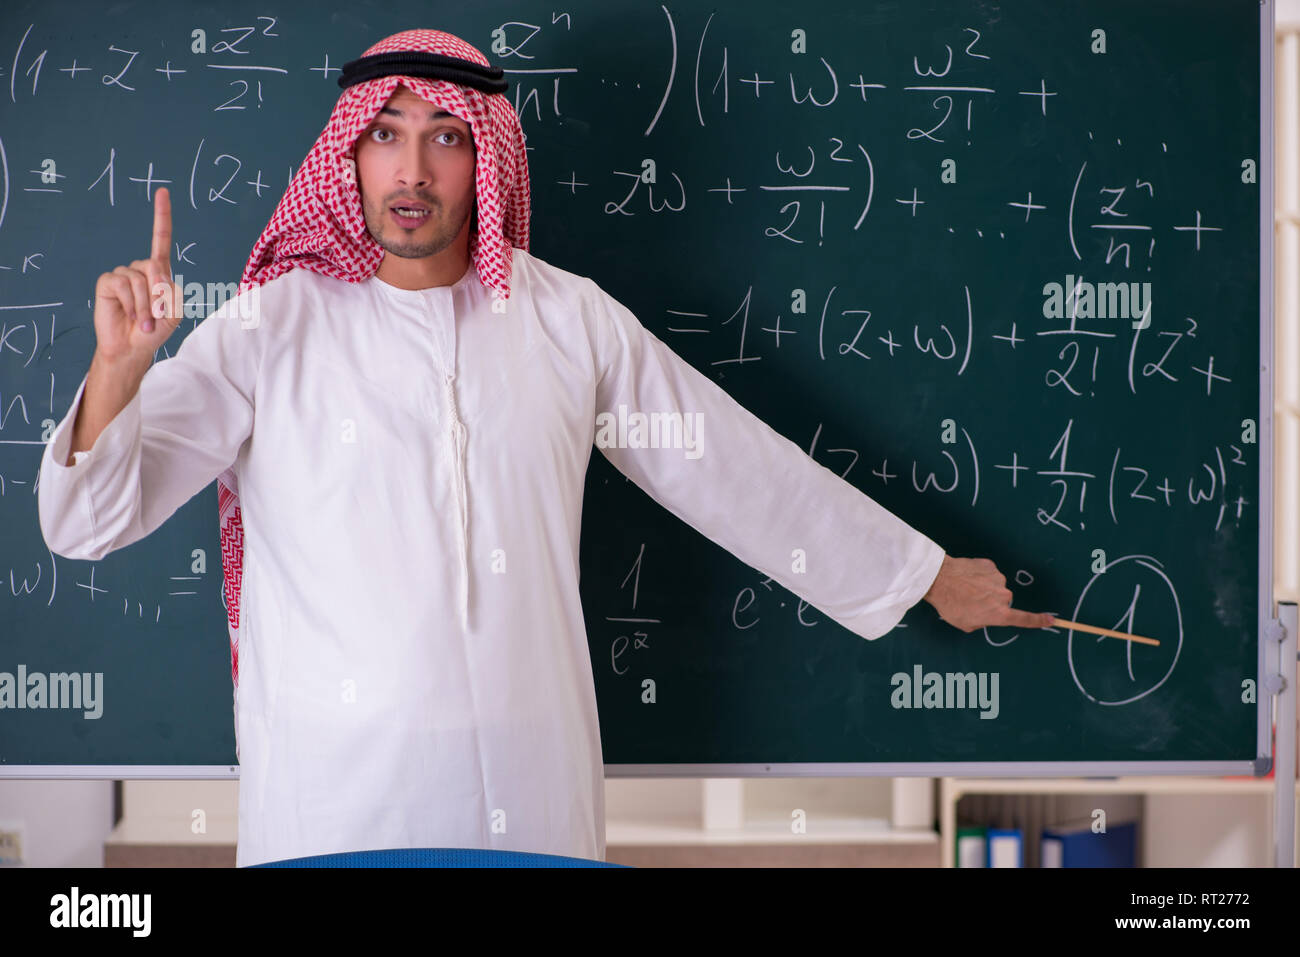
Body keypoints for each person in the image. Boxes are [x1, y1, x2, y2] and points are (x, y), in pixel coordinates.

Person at [37, 29, 1054, 867]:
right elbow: (84, 523)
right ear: (347, 153)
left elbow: (733, 469)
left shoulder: (568, 323)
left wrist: (918, 574)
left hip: (532, 813)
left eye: (445, 138)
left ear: (487, 159)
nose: (412, 168)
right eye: (387, 134)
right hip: (326, 816)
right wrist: (120, 374)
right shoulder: (268, 329)